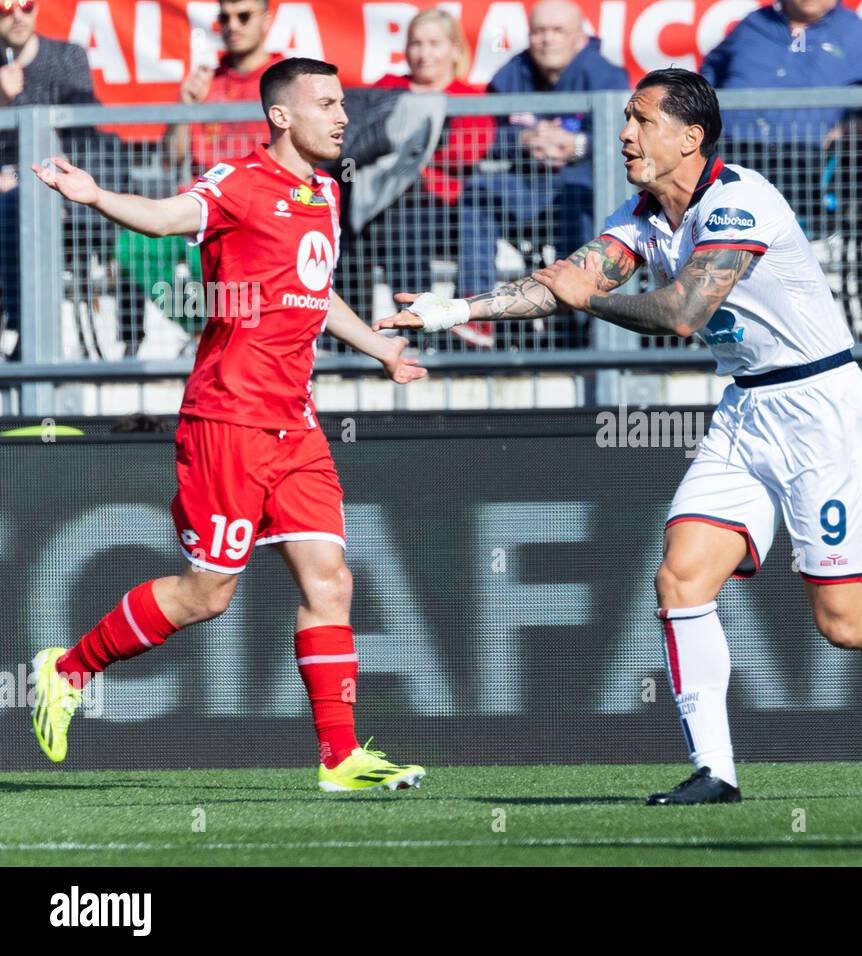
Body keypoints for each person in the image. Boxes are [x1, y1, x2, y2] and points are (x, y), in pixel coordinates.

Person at [379, 68, 862, 804]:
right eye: (625, 119)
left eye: (640, 120)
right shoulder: (643, 218)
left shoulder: (740, 201)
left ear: (689, 138)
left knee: (845, 623)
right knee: (682, 575)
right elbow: (561, 280)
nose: (624, 133)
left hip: (820, 412)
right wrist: (449, 310)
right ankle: (715, 772)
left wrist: (590, 300)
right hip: (746, 410)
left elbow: (681, 311)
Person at [29, 57, 429, 792]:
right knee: (209, 595)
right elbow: (166, 215)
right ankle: (66, 670)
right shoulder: (239, 184)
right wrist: (92, 195)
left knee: (330, 581)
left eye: (344, 104)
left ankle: (340, 759)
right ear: (281, 115)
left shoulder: (324, 191)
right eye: (327, 104)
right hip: (229, 416)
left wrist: (379, 349)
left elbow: (314, 291)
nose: (343, 117)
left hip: (295, 422)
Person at [457, 0, 628, 349]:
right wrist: (524, 141)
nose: (547, 39)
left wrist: (575, 146)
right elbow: (485, 137)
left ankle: (583, 324)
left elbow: (624, 138)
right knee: (479, 192)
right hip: (527, 186)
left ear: (580, 38)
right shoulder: (511, 73)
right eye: (539, 31)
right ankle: (476, 310)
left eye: (557, 31)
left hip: (586, 193)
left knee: (580, 200)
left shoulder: (605, 73)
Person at [0, 0, 142, 357]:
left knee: (22, 204)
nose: (17, 15)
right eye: (5, 6)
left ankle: (25, 336)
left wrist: (46, 183)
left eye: (26, 5)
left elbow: (83, 138)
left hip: (58, 191)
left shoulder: (67, 57)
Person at [700, 0, 862, 233]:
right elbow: (709, 74)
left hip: (808, 166)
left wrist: (858, 123)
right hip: (734, 154)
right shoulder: (753, 25)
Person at [371, 8, 496, 349]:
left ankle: (419, 323)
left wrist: (406, 158)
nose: (424, 53)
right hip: (380, 203)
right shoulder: (387, 87)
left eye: (434, 43)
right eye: (416, 43)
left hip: (444, 206)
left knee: (408, 214)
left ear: (455, 49)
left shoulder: (469, 98)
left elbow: (467, 152)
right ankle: (347, 336)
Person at [166, 0, 282, 179]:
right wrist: (185, 105)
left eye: (244, 16)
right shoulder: (204, 82)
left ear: (266, 21)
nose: (233, 26)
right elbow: (171, 159)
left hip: (265, 195)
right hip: (207, 197)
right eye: (224, 18)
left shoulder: (286, 80)